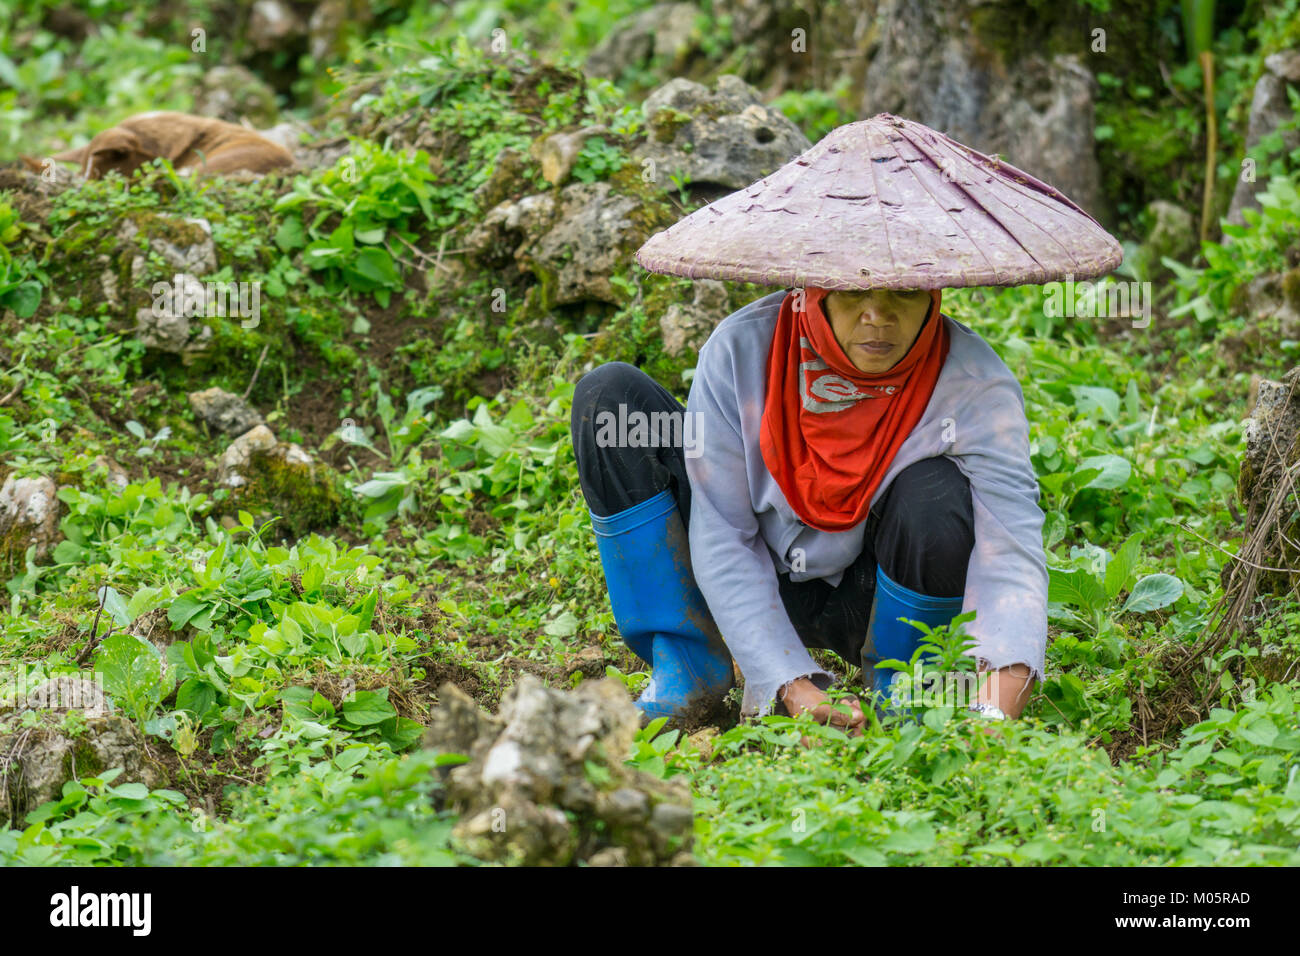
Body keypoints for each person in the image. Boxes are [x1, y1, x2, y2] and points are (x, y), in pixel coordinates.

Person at [569, 114, 1122, 730]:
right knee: (608, 400)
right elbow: (724, 533)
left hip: (875, 590)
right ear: (814, 288)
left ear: (934, 292)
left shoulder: (974, 383)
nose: (877, 317)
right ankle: (690, 667)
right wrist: (792, 684)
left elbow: (1011, 548)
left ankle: (903, 688)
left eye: (903, 294)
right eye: (853, 292)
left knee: (935, 493)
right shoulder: (741, 353)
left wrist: (1003, 689)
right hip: (749, 582)